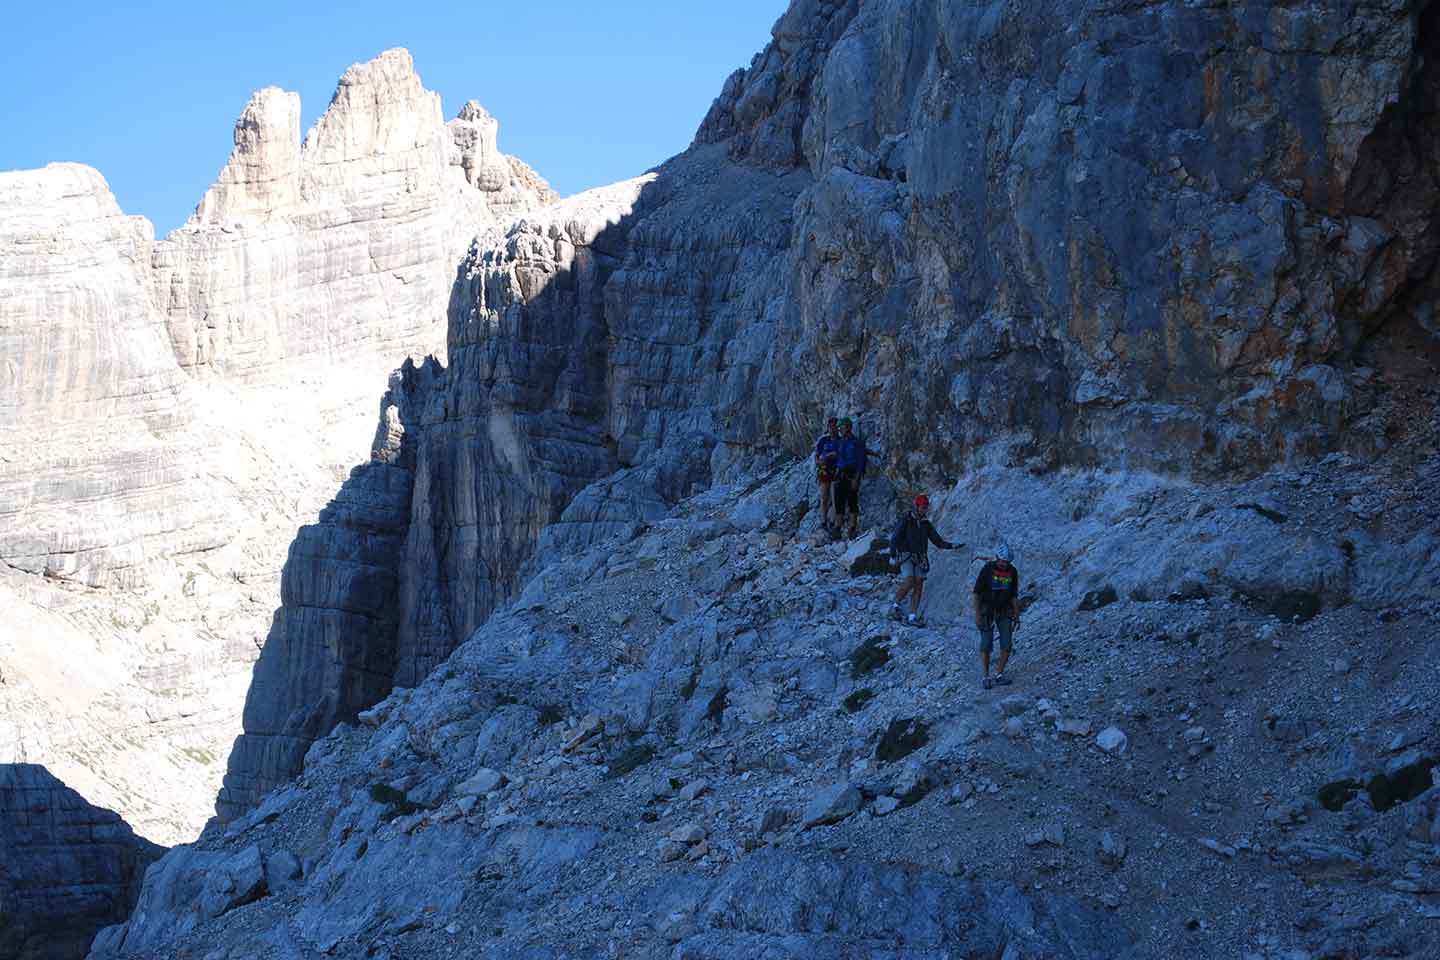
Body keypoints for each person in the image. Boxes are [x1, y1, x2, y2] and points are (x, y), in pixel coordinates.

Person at [888, 494, 956, 627]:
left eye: (926, 508)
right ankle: (895, 605)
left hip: (920, 557)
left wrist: (952, 546)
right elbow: (895, 537)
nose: (925, 510)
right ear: (917, 506)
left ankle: (912, 616)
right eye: (923, 508)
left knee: (919, 584)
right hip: (906, 554)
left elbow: (937, 541)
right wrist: (892, 555)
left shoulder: (925, 523)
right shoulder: (906, 520)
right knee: (910, 580)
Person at [974, 542, 1021, 689]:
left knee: (1007, 643)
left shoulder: (1013, 571)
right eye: (1001, 561)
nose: (1003, 564)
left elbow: (1014, 594)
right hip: (987, 608)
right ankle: (985, 675)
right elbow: (976, 592)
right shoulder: (987, 569)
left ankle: (999, 674)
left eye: (1006, 562)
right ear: (997, 558)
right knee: (986, 643)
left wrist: (1016, 613)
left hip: (1005, 609)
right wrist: (977, 614)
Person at [834, 418, 869, 539]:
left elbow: (860, 461)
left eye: (841, 427)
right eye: (839, 428)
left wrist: (856, 479)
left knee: (852, 501)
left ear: (848, 427)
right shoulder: (841, 442)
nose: (840, 430)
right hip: (840, 473)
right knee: (839, 501)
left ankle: (852, 528)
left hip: (851, 473)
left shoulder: (856, 443)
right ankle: (838, 528)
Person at [813, 417, 841, 534]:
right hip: (824, 470)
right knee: (824, 497)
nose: (832, 429)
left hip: (836, 471)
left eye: (834, 427)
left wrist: (830, 456)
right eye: (830, 427)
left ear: (837, 428)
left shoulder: (841, 441)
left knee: (835, 498)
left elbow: (841, 455)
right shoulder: (823, 441)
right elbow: (817, 455)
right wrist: (818, 461)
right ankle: (823, 521)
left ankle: (834, 523)